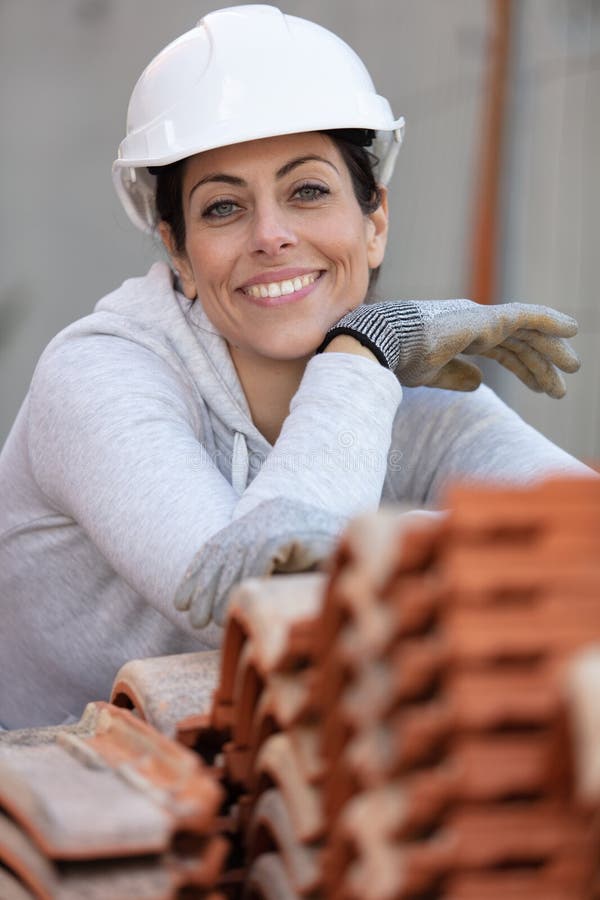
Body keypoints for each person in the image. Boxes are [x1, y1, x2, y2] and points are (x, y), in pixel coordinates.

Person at [0, 5, 591, 731]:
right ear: (179, 255)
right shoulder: (96, 377)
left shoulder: (389, 391)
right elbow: (249, 607)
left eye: (307, 190)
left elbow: (578, 544)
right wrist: (363, 347)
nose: (271, 236)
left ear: (373, 225)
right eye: (222, 208)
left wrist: (367, 364)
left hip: (273, 790)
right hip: (58, 811)